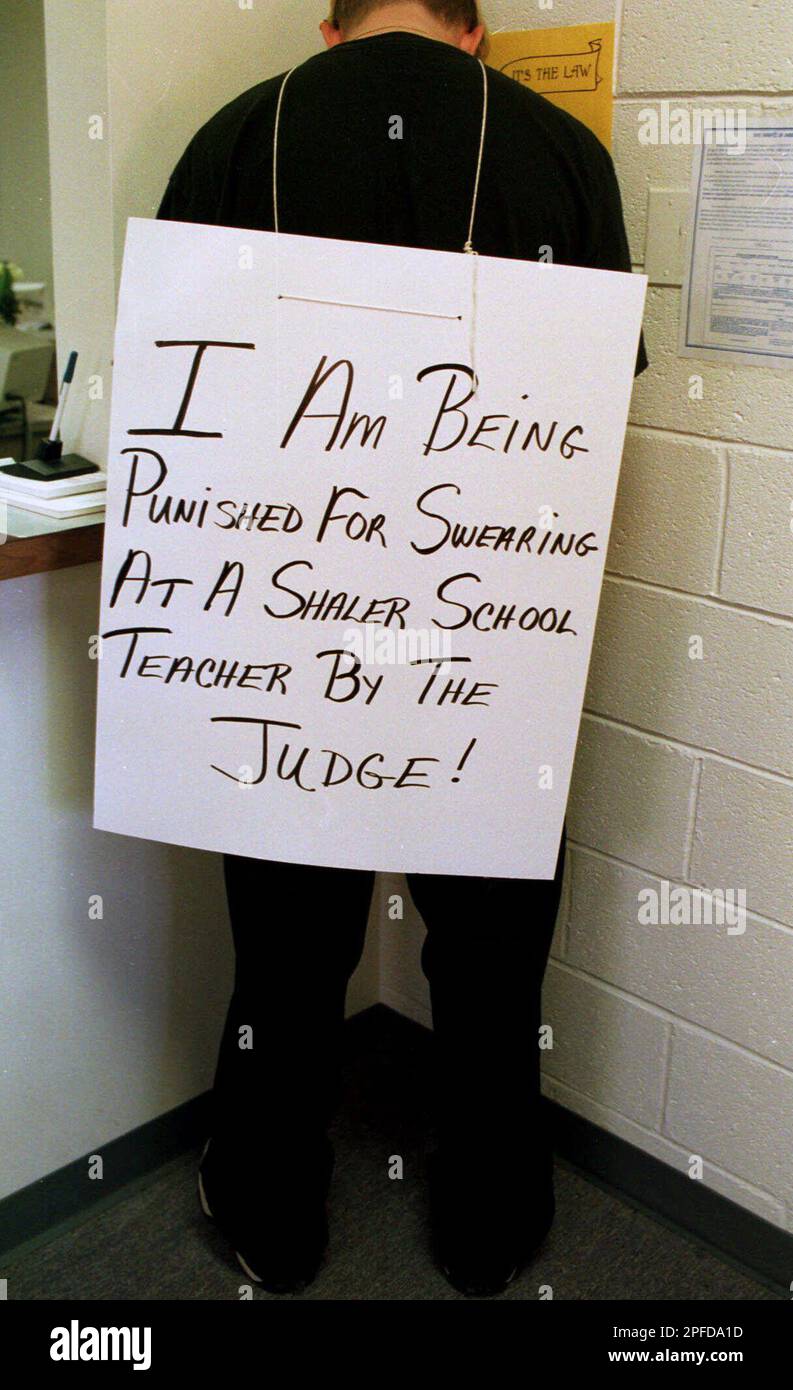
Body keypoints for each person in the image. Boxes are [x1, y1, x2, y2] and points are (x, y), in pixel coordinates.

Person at [157, 0, 648, 1298]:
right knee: (489, 957)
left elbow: (184, 401)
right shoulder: (558, 155)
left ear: (330, 32)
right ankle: (490, 1229)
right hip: (490, 634)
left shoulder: (231, 140)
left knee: (287, 948)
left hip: (285, 631)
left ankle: (274, 1216)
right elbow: (595, 409)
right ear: (472, 31)